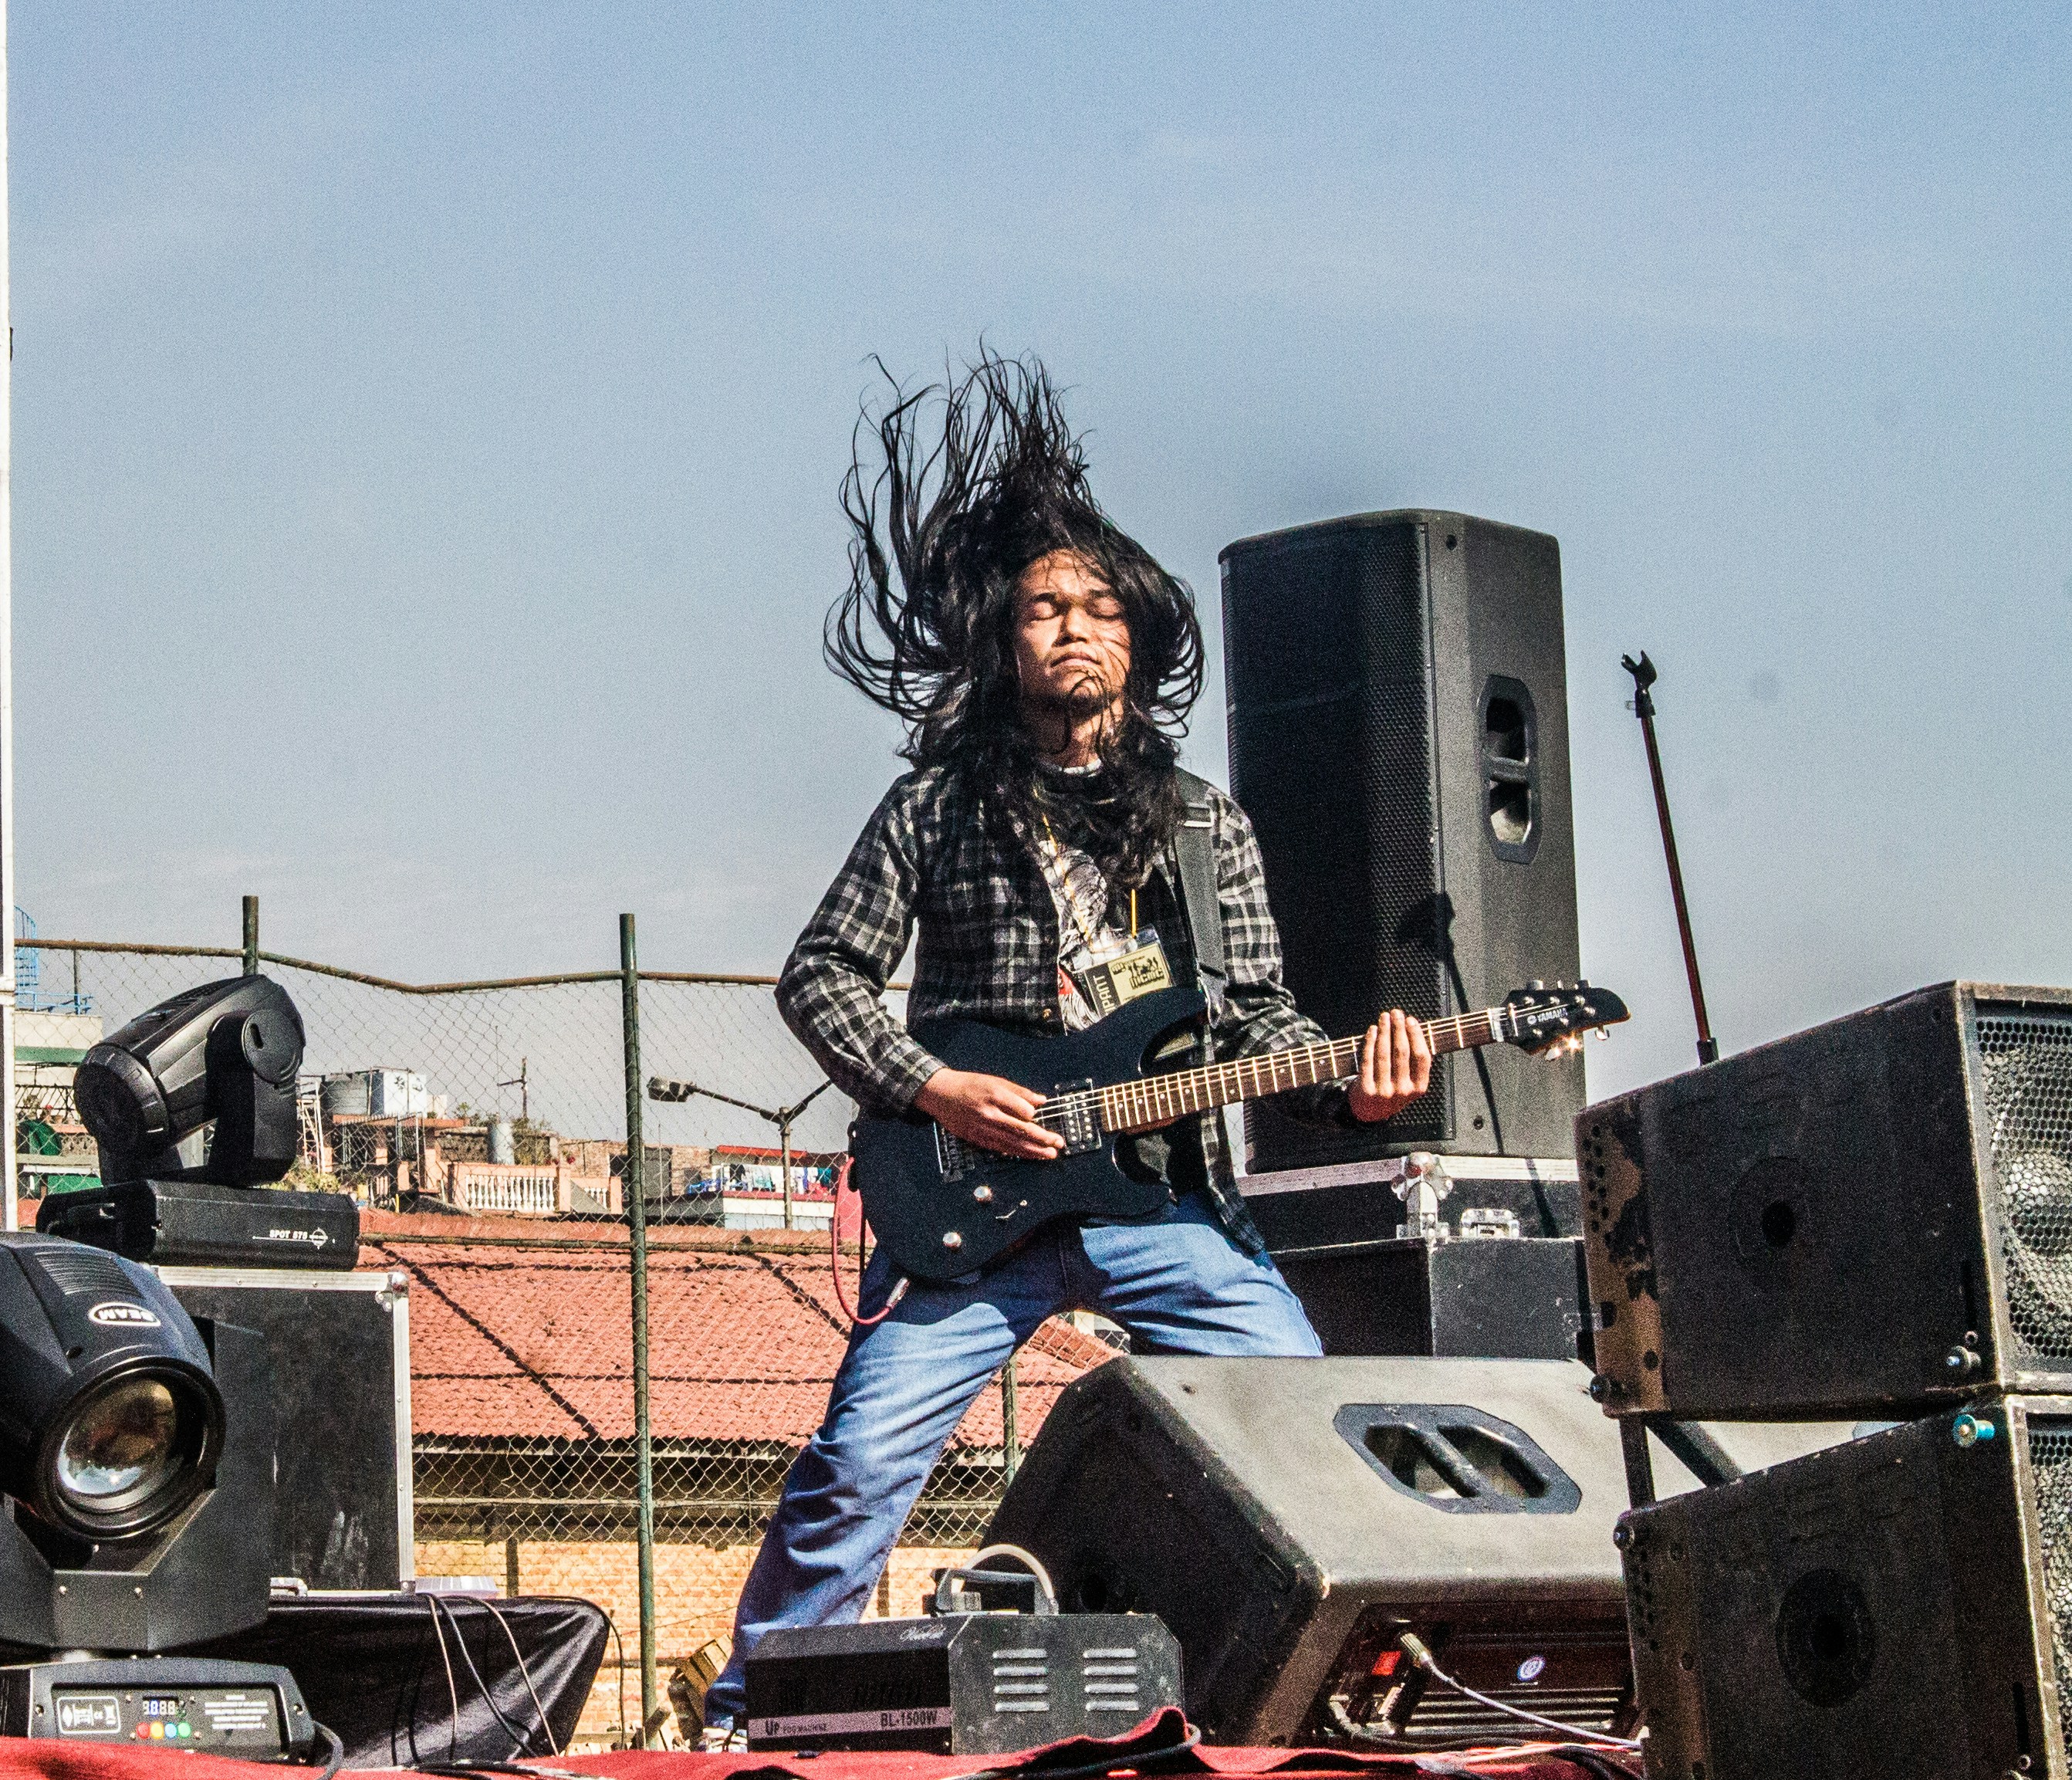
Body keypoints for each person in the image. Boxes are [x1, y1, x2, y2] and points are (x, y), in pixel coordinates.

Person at [698, 354, 1432, 1742]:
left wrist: (1353, 1075)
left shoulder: (1204, 823)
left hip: (1160, 1202)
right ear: (1002, 641)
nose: (1073, 629)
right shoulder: (931, 809)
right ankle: (752, 1717)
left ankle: (1343, 1689)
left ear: (1137, 642)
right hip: (970, 1217)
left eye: (1098, 608)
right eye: (1043, 608)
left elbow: (1257, 1017)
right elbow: (821, 975)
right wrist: (936, 1086)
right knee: (855, 1467)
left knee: (1302, 1403)